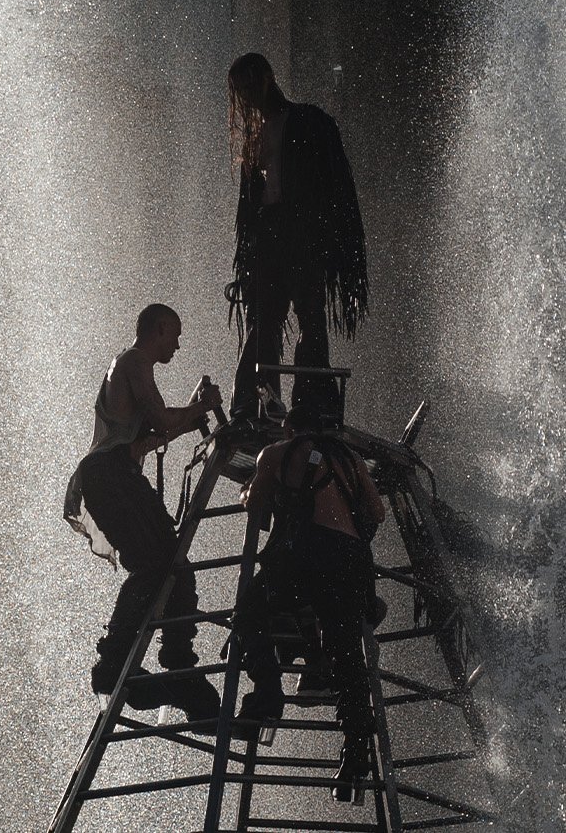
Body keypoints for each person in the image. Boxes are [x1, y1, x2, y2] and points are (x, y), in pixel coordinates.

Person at [64, 303, 226, 720]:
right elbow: (160, 418)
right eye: (175, 334)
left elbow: (152, 436)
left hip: (114, 475)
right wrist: (203, 405)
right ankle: (118, 659)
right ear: (158, 329)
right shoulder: (134, 361)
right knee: (155, 566)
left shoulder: (130, 370)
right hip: (109, 476)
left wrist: (194, 414)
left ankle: (174, 661)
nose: (178, 343)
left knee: (173, 567)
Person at [234, 426, 386, 797]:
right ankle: (355, 750)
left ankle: (268, 694)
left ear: (290, 426)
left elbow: (255, 503)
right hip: (351, 560)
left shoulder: (274, 452)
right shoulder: (350, 459)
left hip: (307, 552)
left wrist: (249, 489)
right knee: (346, 653)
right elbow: (377, 512)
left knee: (248, 615)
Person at [226, 53, 368, 425]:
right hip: (271, 238)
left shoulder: (308, 121)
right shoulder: (256, 137)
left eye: (250, 85)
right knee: (265, 320)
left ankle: (311, 401)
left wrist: (333, 243)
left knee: (309, 317)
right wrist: (249, 257)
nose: (246, 96)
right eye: (239, 90)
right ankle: (257, 400)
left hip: (303, 235)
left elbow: (335, 187)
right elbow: (250, 208)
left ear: (269, 78)